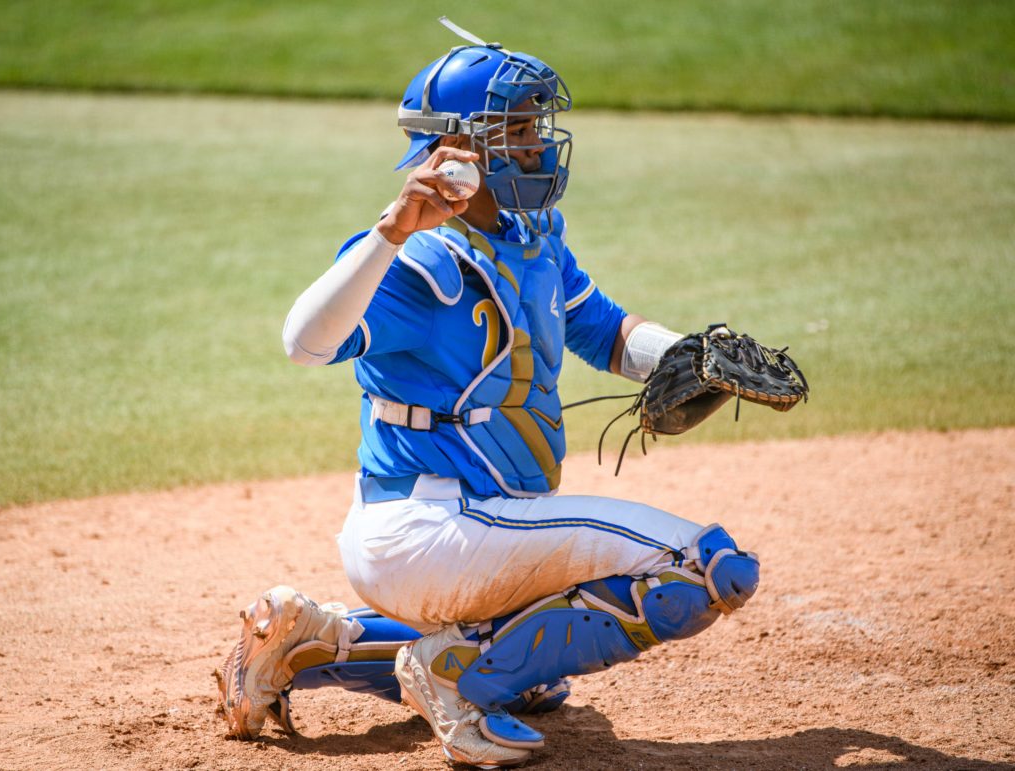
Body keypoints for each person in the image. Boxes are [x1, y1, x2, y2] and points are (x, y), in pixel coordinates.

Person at [217, 19, 760, 769]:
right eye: (519, 126)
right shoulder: (421, 263)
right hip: (429, 530)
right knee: (703, 568)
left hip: (485, 525)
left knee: (536, 665)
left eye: (538, 122)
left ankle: (311, 641)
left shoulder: (531, 236)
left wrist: (698, 360)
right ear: (459, 146)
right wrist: (390, 231)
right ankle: (456, 676)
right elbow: (304, 343)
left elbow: (599, 328)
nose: (539, 141)